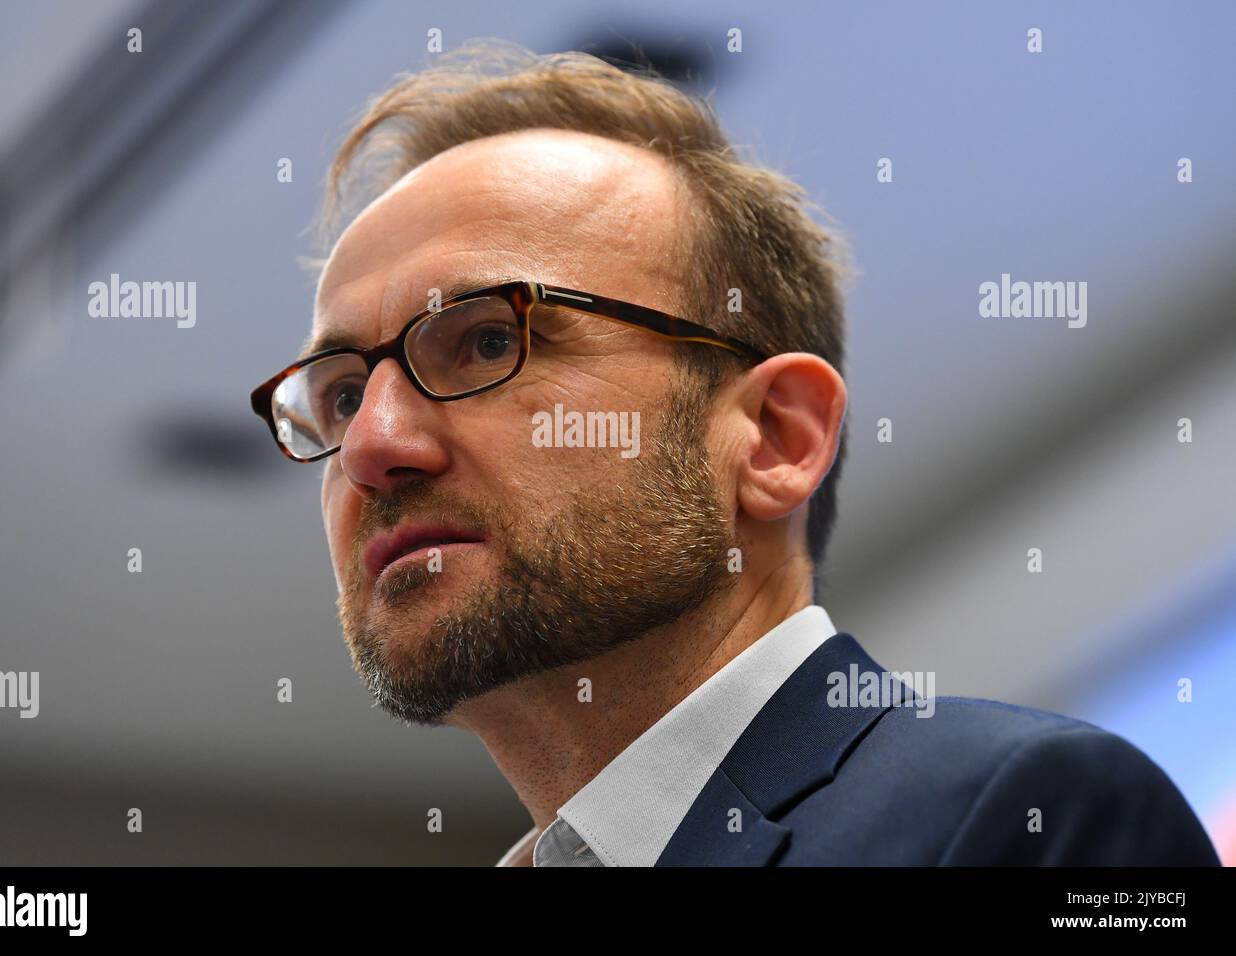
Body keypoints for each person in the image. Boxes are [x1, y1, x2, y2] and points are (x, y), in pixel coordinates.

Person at [249, 41, 1219, 866]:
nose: (372, 445)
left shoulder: (1016, 821)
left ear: (773, 439)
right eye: (340, 394)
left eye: (489, 340)